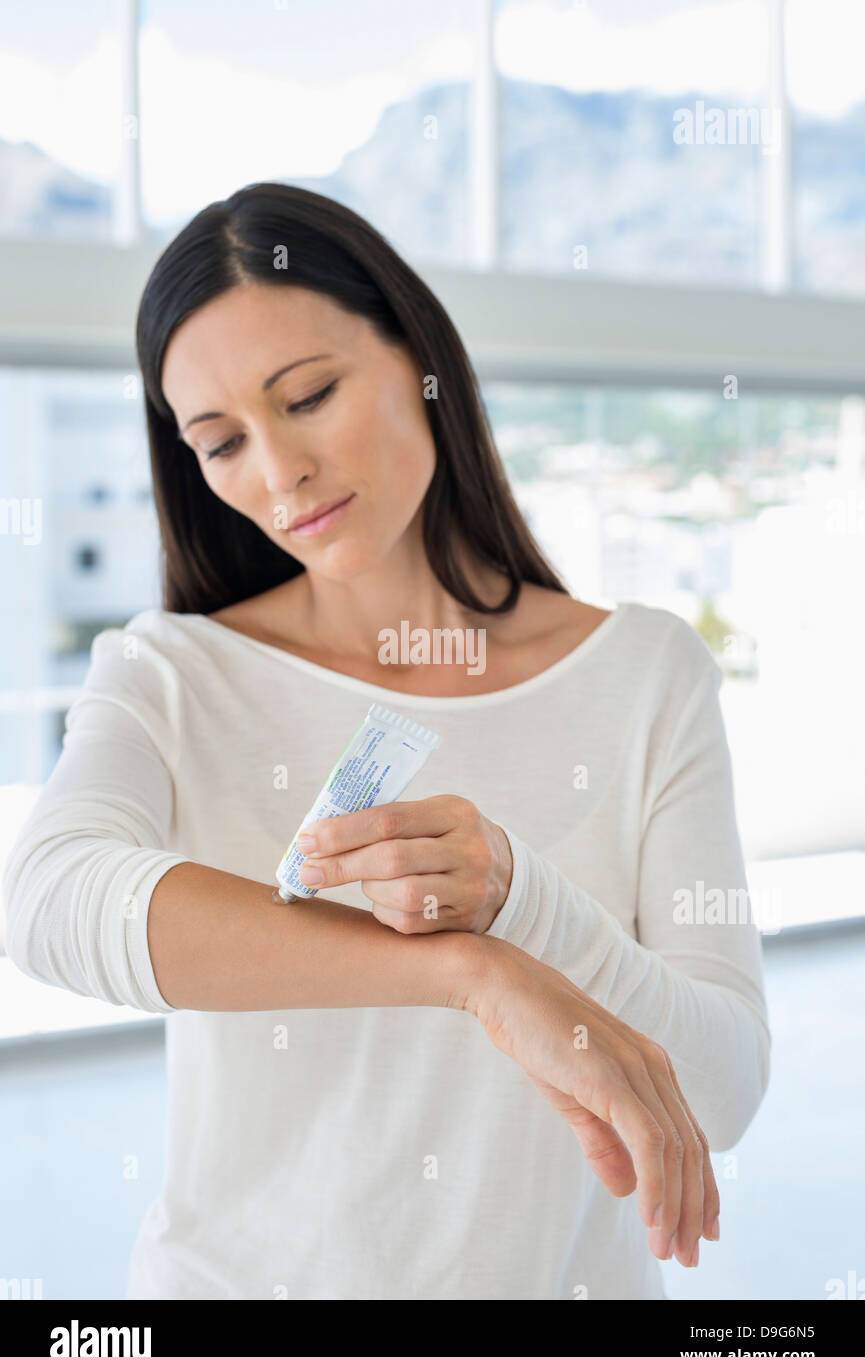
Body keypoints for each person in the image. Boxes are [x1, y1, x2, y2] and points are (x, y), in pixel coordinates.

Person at [3, 182, 770, 1301]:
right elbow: (44, 899)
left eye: (307, 396)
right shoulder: (168, 674)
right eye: (220, 444)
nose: (276, 475)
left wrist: (522, 899)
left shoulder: (645, 677)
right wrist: (472, 970)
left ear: (420, 359)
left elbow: (725, 1091)